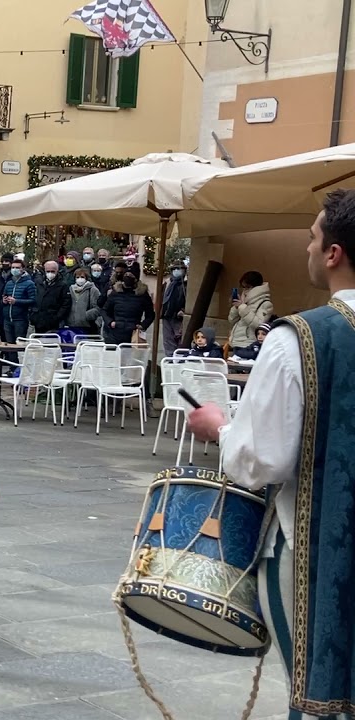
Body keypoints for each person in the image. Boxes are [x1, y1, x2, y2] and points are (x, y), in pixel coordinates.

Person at [186, 189, 355, 720]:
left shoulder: (299, 338)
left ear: (334, 253)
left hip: (318, 544)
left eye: (310, 238)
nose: (307, 248)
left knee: (318, 693)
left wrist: (220, 429)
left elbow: (263, 460)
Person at [0, 257, 36, 366]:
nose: (15, 269)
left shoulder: (29, 283)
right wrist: (4, 300)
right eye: (13, 267)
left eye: (17, 268)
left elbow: (33, 300)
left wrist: (17, 301)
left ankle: (21, 366)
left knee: (19, 344)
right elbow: (3, 296)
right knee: (10, 345)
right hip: (7, 318)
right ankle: (12, 367)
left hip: (20, 319)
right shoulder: (9, 283)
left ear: (23, 269)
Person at [102, 270, 155, 345]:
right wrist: (110, 322)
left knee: (131, 356)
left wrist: (143, 326)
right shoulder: (116, 292)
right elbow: (104, 310)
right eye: (126, 274)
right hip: (114, 333)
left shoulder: (142, 294)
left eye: (130, 275)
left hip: (133, 334)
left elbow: (150, 314)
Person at [228, 270, 274, 353]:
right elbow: (231, 321)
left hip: (250, 345)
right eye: (243, 287)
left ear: (256, 287)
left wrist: (242, 308)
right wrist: (236, 307)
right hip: (236, 343)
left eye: (248, 287)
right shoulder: (244, 301)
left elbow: (258, 324)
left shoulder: (266, 304)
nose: (245, 290)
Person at [31, 260, 71, 334]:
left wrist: (57, 317)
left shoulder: (63, 285)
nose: (50, 273)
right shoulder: (39, 283)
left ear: (57, 271)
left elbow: (66, 304)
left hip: (54, 321)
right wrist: (33, 315)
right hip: (39, 320)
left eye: (52, 271)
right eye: (48, 271)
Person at [161, 261, 188, 356]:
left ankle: (179, 360)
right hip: (167, 316)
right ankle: (169, 360)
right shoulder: (168, 283)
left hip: (179, 317)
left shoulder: (186, 284)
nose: (176, 271)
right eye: (174, 269)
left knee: (180, 340)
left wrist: (184, 310)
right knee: (168, 341)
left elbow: (189, 299)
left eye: (179, 269)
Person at [66, 267, 101, 337]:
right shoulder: (70, 289)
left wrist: (86, 315)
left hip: (87, 326)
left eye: (82, 277)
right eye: (77, 277)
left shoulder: (93, 290)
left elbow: (98, 307)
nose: (80, 279)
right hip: (71, 325)